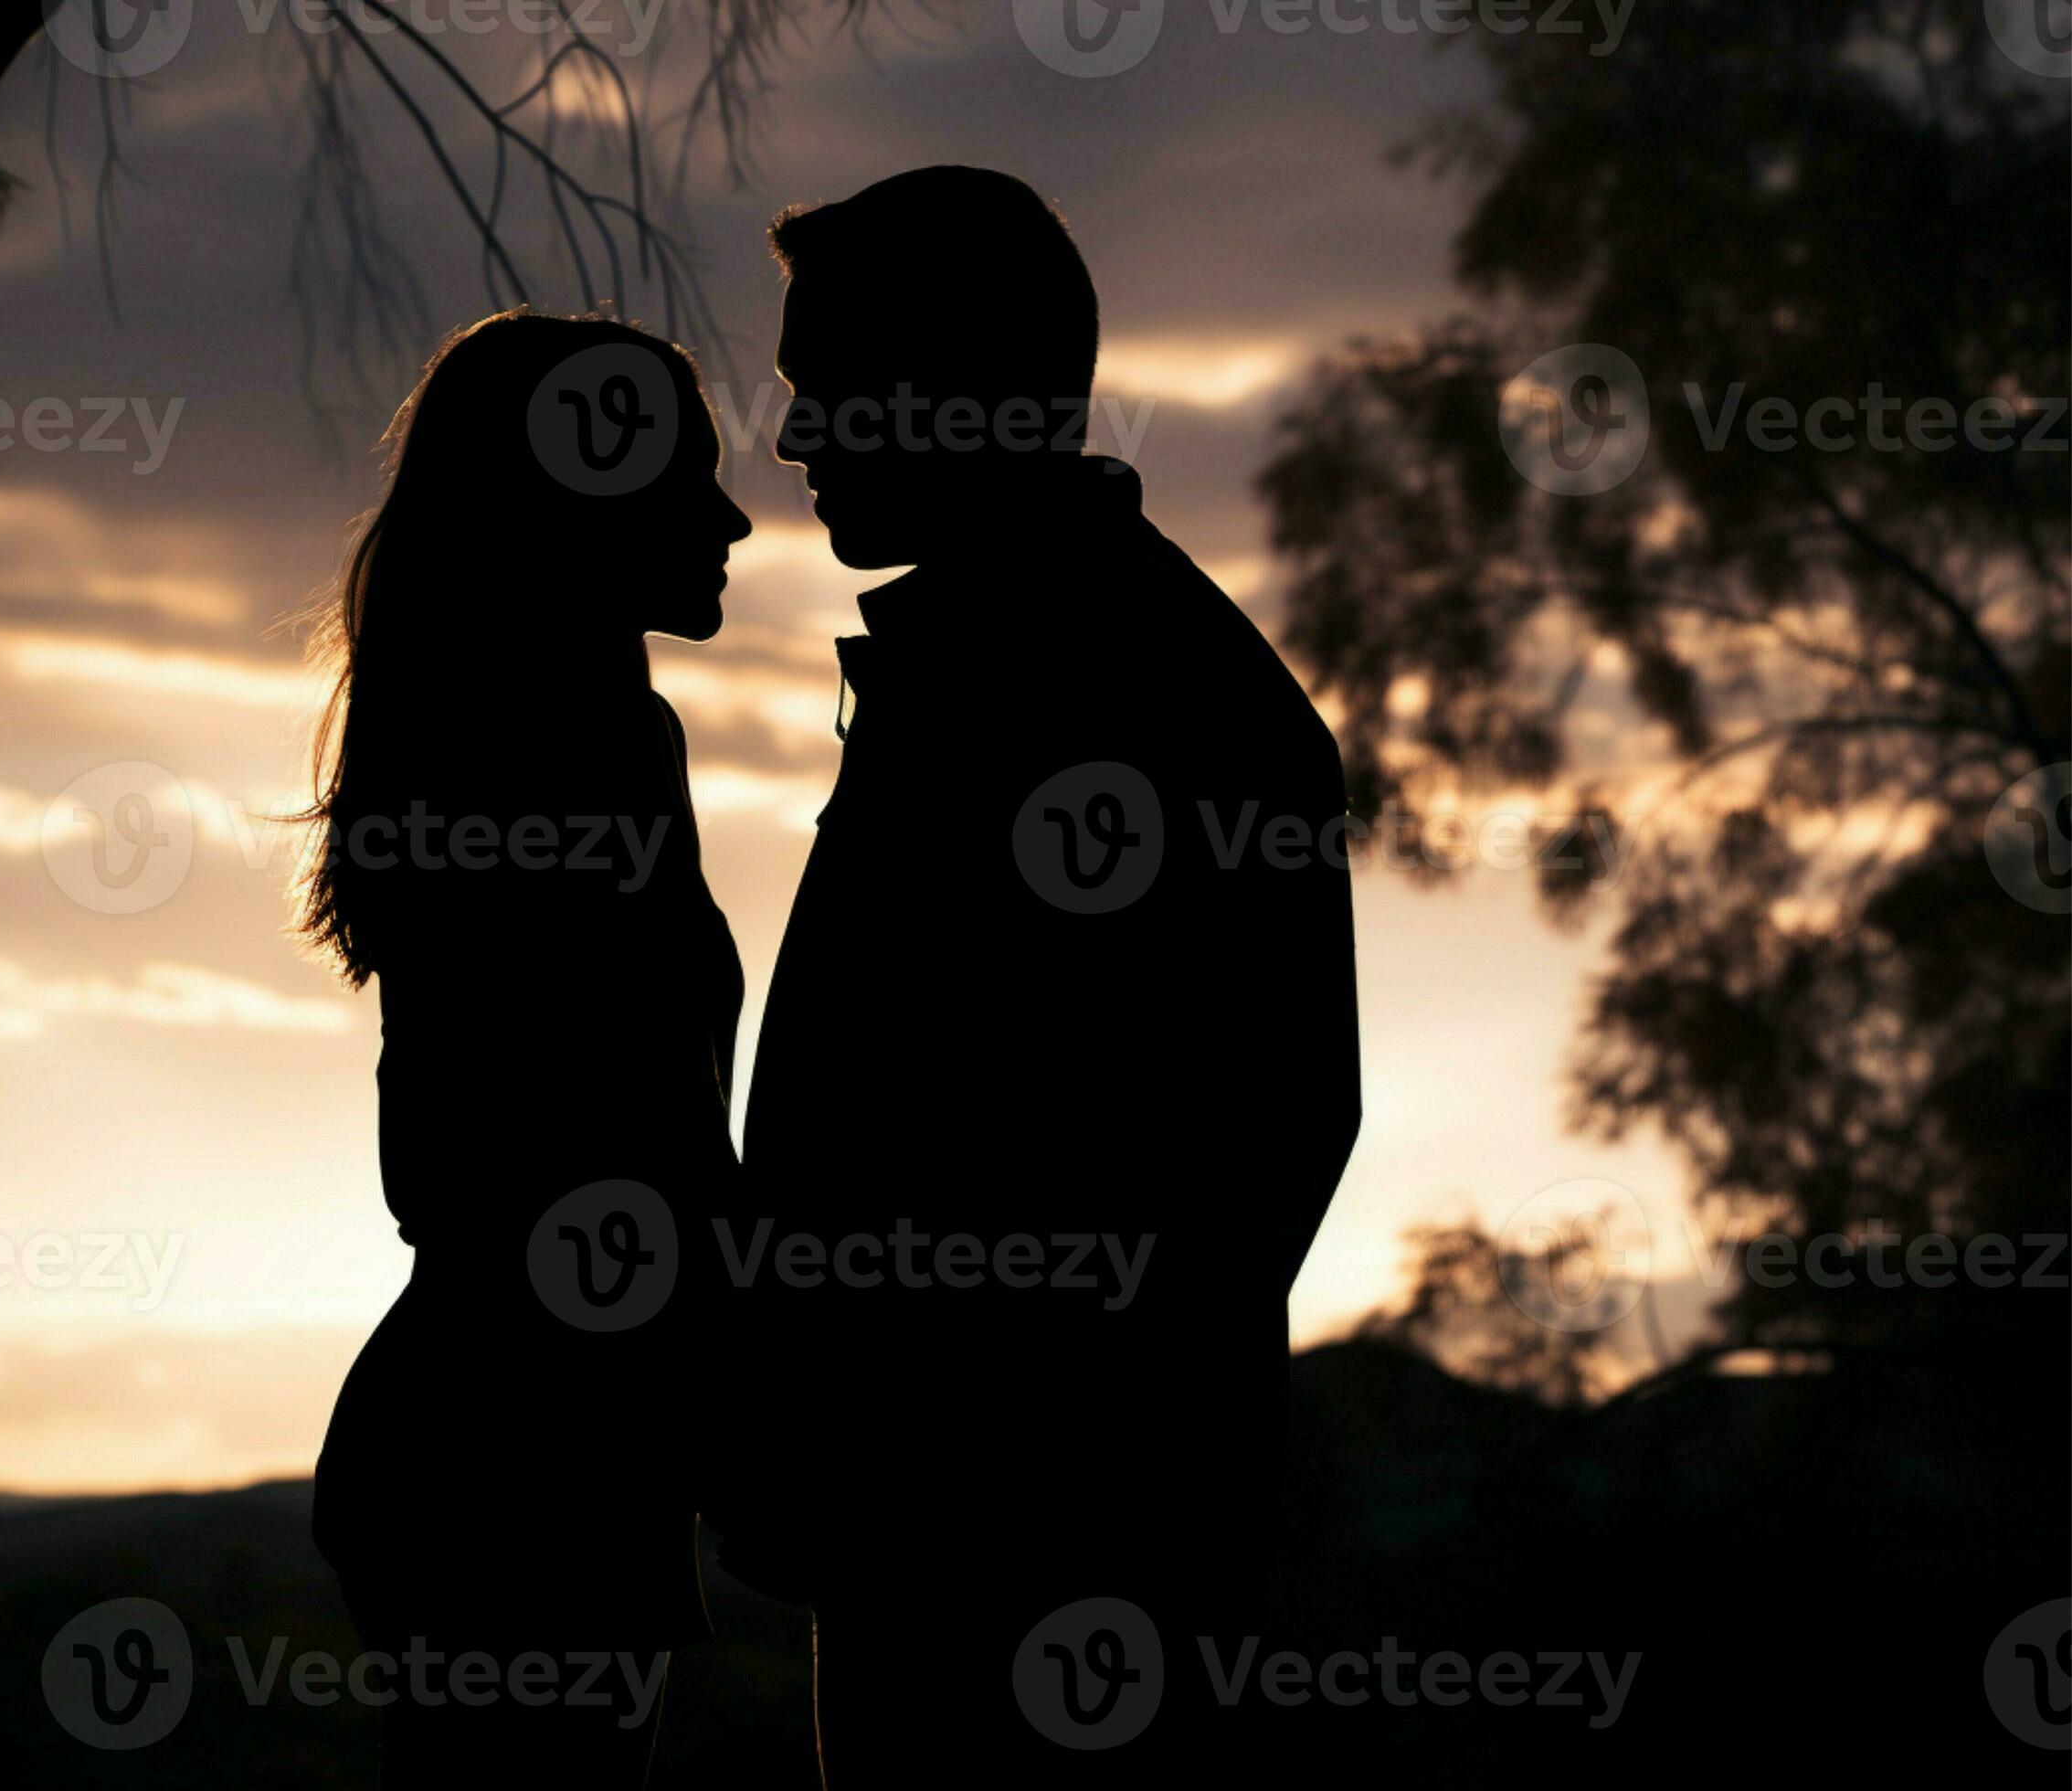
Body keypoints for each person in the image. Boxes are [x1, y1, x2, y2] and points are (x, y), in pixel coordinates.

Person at [719, 165, 1363, 1782]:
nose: (793, 441)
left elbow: (1260, 1137)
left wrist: (940, 1454)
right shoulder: (995, 664)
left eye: (830, 386)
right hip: (939, 1536)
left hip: (1036, 1571)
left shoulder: (1138, 691)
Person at [301, 310, 752, 1789]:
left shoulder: (519, 733)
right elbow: (635, 1140)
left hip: (501, 1424)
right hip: (536, 1443)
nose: (735, 519)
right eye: (689, 478)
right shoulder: (584, 747)